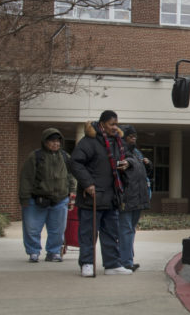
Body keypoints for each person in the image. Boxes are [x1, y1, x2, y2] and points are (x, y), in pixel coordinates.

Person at [69, 110, 131, 276]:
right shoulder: (89, 141)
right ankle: (87, 263)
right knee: (88, 233)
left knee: (111, 232)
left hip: (112, 197)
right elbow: (75, 163)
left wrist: (128, 163)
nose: (114, 127)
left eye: (116, 124)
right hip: (92, 196)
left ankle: (112, 264)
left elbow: (130, 156)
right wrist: (88, 183)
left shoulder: (118, 142)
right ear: (102, 124)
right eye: (111, 124)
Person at [18, 128, 75, 263]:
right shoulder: (35, 156)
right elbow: (26, 178)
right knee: (32, 228)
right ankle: (33, 252)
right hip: (37, 199)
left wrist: (73, 191)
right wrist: (24, 198)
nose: (55, 144)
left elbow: (71, 176)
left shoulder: (66, 157)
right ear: (45, 142)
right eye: (52, 141)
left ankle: (54, 252)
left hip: (60, 199)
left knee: (58, 229)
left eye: (58, 141)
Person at [117, 124, 151, 272]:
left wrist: (148, 164)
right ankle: (125, 261)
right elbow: (119, 165)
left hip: (138, 198)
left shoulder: (136, 152)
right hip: (126, 197)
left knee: (130, 229)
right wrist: (130, 162)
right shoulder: (119, 151)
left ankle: (128, 259)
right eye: (130, 136)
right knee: (125, 230)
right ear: (123, 137)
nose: (133, 138)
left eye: (135, 136)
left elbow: (145, 173)